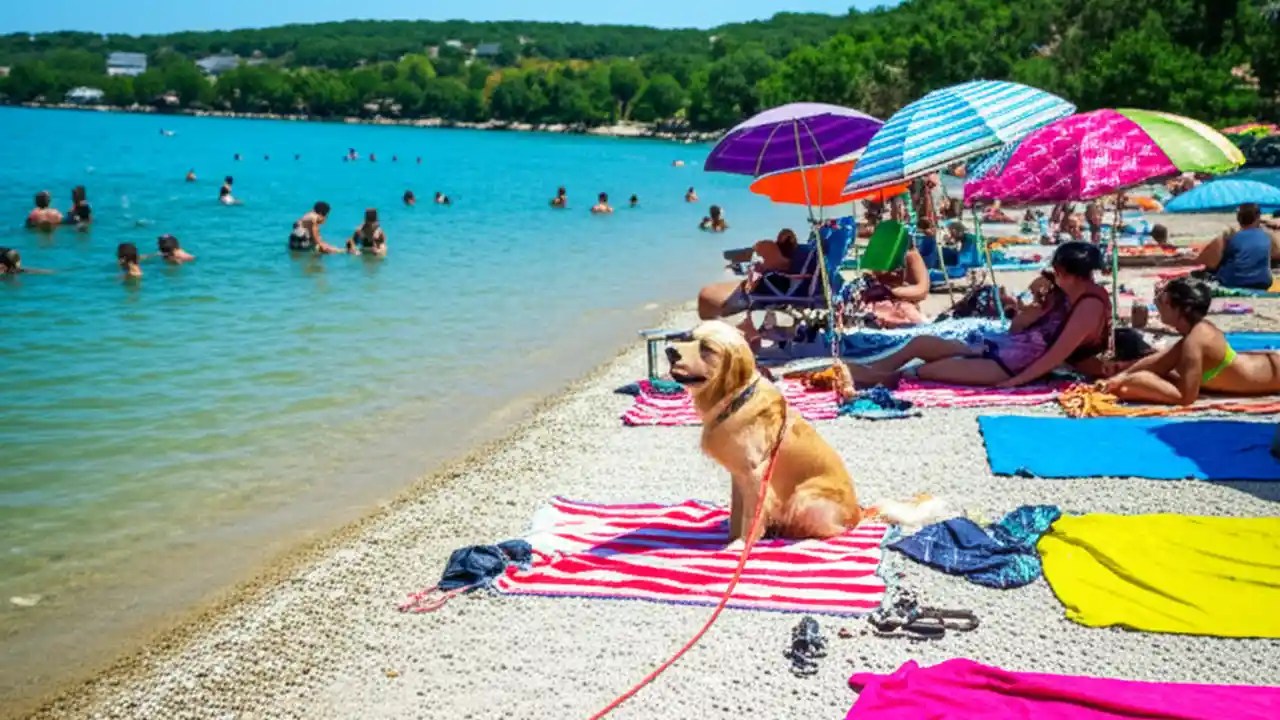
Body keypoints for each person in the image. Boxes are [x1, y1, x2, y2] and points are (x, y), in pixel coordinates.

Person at [848, 242, 1112, 387]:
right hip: (1005, 349)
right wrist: (1037, 302)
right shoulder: (1067, 296)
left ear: (1066, 273)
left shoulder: (1089, 306)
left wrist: (1016, 382)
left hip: (1012, 366)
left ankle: (876, 379)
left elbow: (1057, 355)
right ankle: (872, 371)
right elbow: (1017, 328)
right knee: (919, 343)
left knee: (922, 371)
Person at [1102, 277, 1280, 404]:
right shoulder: (1196, 332)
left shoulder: (1196, 340)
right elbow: (1161, 361)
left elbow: (1185, 397)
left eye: (1164, 300)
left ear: (1182, 309)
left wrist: (1135, 382)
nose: (1158, 303)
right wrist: (1120, 378)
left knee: (1133, 386)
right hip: (1269, 368)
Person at [697, 228, 810, 322]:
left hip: (767, 289)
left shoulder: (777, 279)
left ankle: (734, 259)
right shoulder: (807, 263)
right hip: (782, 282)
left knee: (706, 295)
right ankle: (735, 259)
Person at [1193, 203, 1280, 290]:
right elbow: (1276, 254)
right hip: (1262, 282)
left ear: (1238, 218)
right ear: (1258, 217)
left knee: (1202, 272)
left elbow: (1210, 263)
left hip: (1232, 281)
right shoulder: (1267, 236)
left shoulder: (1229, 236)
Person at [857, 242, 930, 328]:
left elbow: (922, 291)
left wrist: (889, 291)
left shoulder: (909, 254)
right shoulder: (877, 250)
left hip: (903, 305)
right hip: (878, 307)